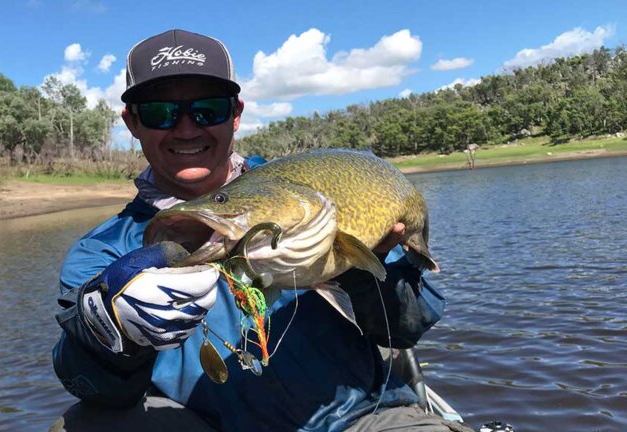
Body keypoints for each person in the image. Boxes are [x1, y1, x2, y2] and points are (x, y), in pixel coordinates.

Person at [51, 29, 472, 432]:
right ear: (132, 122)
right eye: (161, 113)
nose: (186, 128)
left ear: (235, 116)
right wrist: (110, 333)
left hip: (361, 419)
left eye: (208, 110)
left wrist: (363, 267)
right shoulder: (100, 252)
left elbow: (411, 326)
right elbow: (96, 391)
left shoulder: (311, 191)